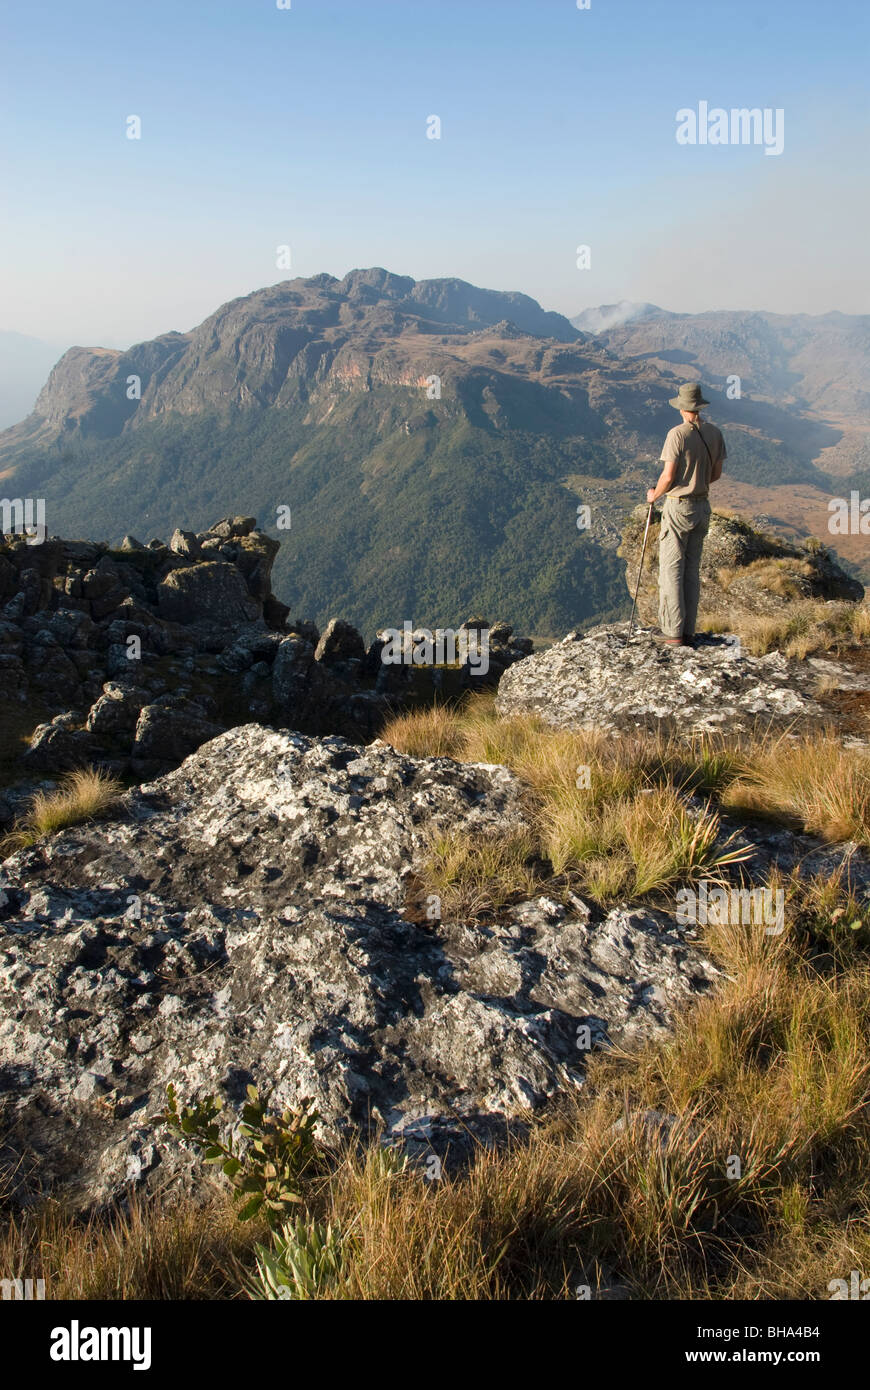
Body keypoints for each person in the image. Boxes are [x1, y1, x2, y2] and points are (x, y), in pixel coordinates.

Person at [646, 383, 726, 647]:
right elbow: (716, 475)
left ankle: (673, 633)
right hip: (703, 506)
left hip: (679, 506)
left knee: (671, 570)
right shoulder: (714, 433)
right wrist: (697, 484)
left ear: (682, 407)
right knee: (691, 570)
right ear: (700, 406)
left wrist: (654, 495)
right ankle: (689, 630)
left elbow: (668, 476)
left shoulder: (677, 435)